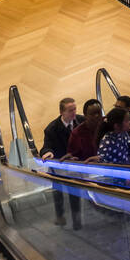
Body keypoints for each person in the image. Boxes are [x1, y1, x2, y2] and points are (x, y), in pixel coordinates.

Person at [41, 96, 81, 229]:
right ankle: (60, 217)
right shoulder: (52, 129)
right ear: (61, 112)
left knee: (75, 193)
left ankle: (76, 219)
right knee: (58, 193)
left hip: (75, 166)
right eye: (70, 110)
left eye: (75, 109)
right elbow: (46, 147)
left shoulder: (81, 121)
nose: (74, 113)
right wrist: (47, 152)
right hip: (59, 167)